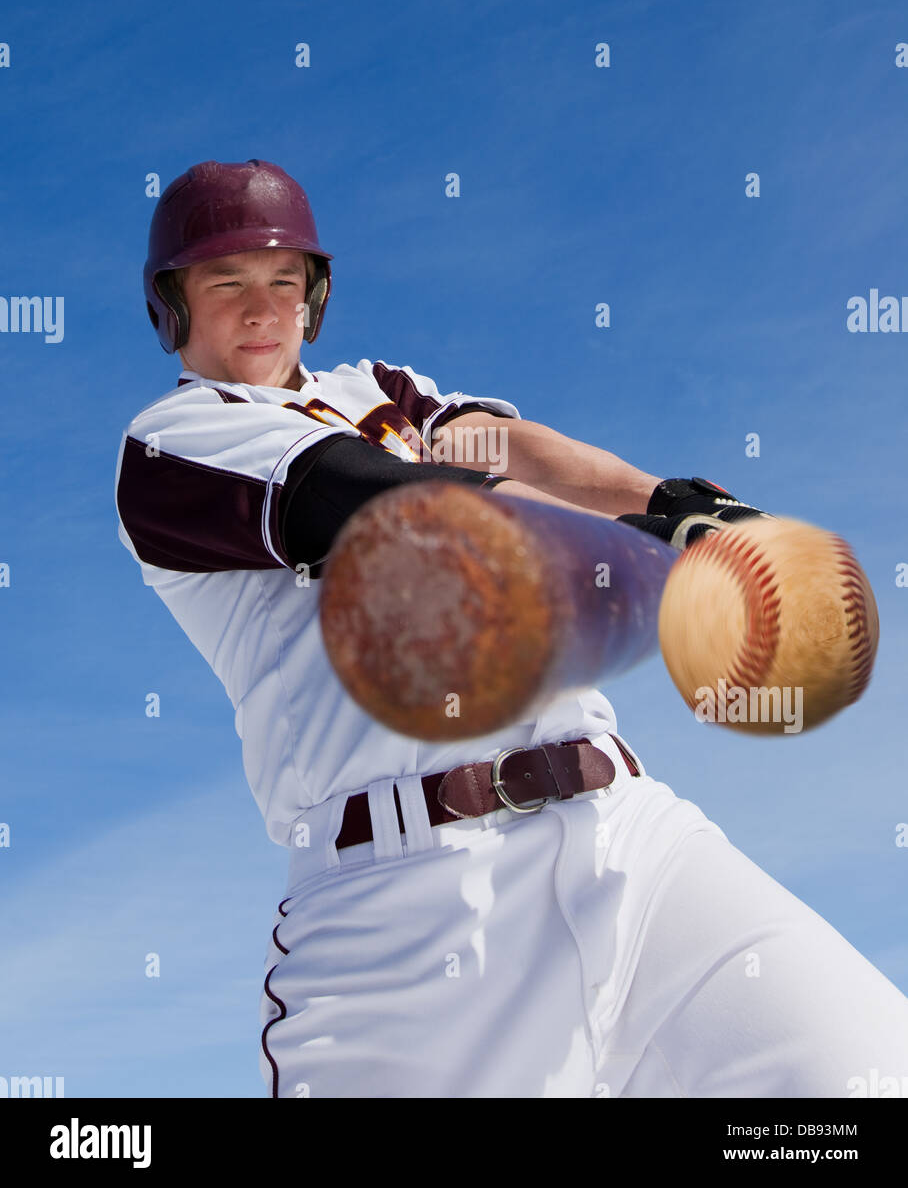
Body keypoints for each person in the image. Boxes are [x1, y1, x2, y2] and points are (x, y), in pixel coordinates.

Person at [115, 157, 908, 1099]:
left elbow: (506, 449)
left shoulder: (377, 389)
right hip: (408, 908)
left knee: (861, 1082)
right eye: (226, 282)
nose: (262, 308)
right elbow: (388, 505)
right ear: (173, 303)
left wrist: (675, 501)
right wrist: (653, 546)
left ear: (314, 294)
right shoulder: (176, 442)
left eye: (284, 281)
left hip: (627, 833)